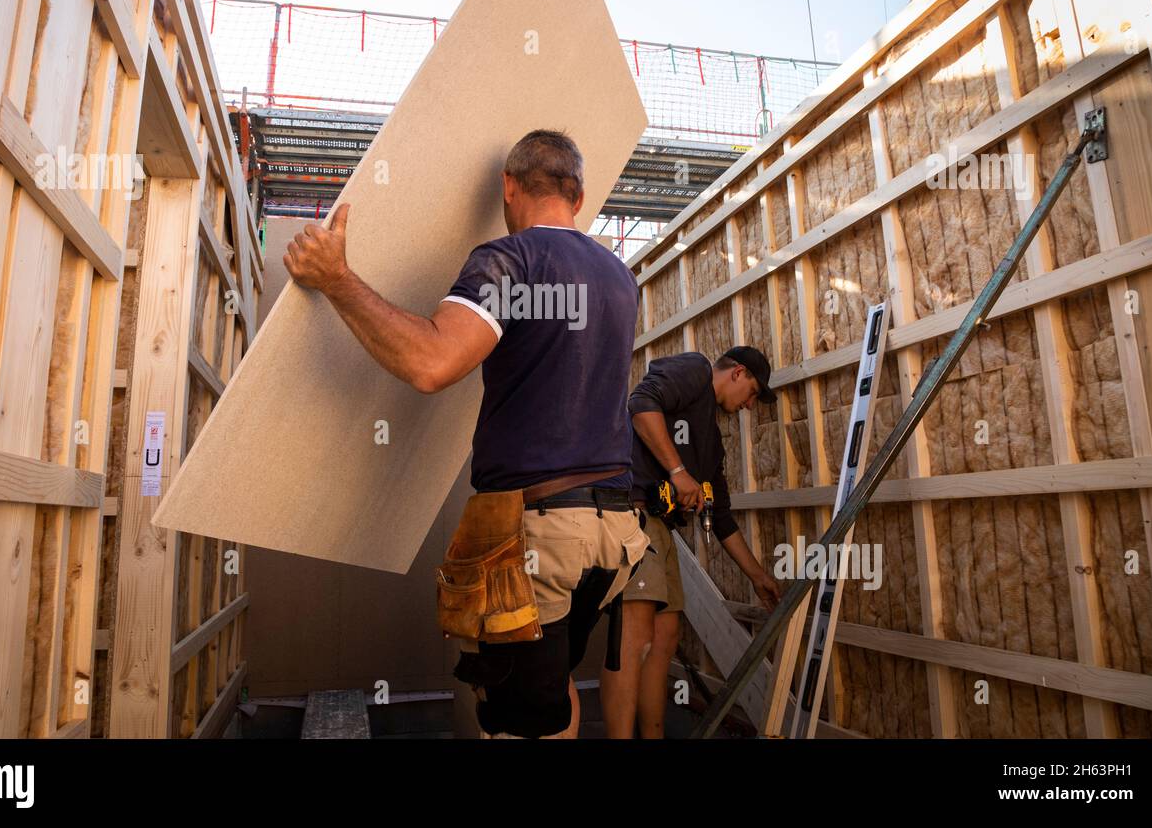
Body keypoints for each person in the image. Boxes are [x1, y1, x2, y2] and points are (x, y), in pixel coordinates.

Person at [284, 129, 647, 739]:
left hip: (545, 537)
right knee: (551, 688)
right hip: (615, 537)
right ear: (577, 196)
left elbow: (433, 363)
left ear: (508, 186)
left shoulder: (513, 259)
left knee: (518, 719)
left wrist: (337, 279)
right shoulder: (618, 277)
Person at [600, 348, 783, 739]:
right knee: (632, 640)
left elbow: (722, 518)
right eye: (752, 393)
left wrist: (757, 576)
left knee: (664, 639)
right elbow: (640, 402)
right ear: (738, 372)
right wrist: (678, 472)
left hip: (662, 529)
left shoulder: (710, 444)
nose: (750, 406)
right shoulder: (695, 369)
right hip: (630, 513)